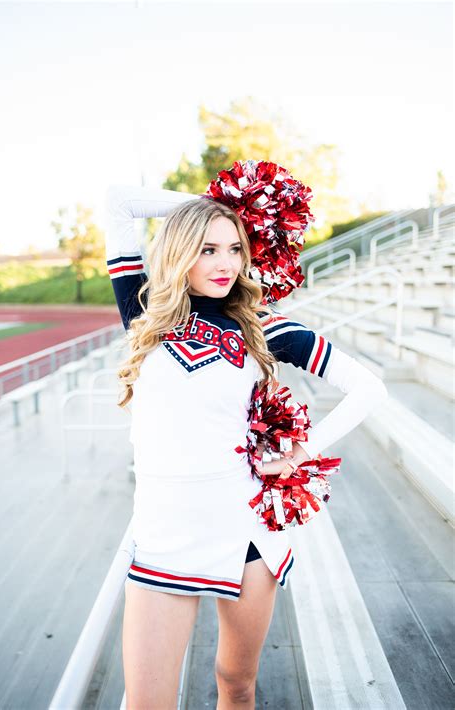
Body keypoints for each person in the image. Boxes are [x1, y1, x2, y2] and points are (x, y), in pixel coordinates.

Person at [104, 183, 389, 709]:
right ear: (179, 252)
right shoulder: (142, 308)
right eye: (207, 248)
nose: (225, 263)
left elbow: (369, 387)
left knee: (236, 685)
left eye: (235, 247)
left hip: (245, 534)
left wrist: (302, 452)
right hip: (163, 533)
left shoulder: (264, 327)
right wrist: (222, 201)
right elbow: (118, 199)